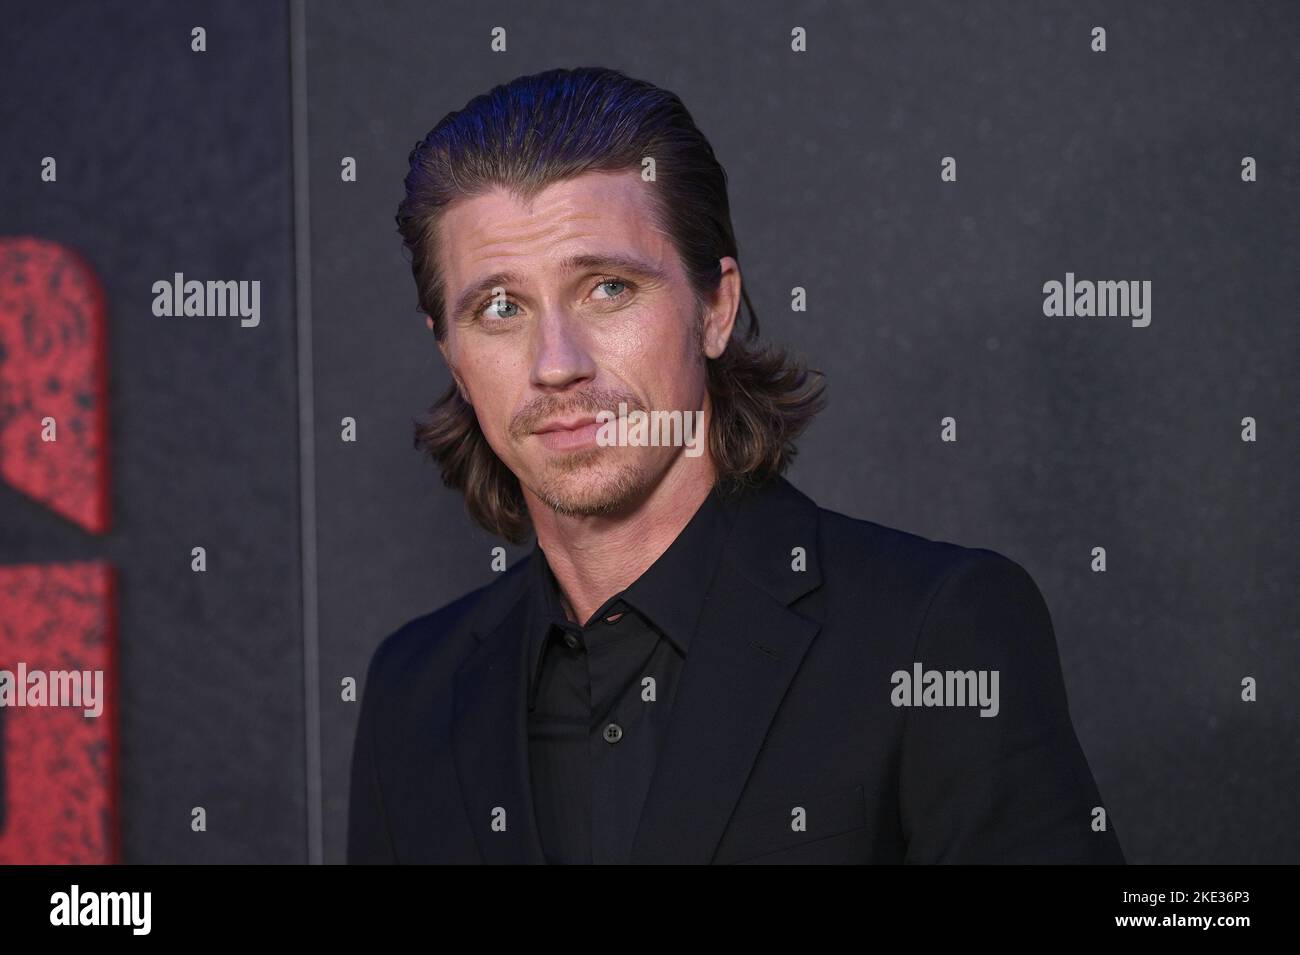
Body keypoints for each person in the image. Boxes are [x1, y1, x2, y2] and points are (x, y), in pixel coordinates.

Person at [347, 66, 1125, 864]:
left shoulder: (934, 631)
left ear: (716, 308)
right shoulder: (415, 693)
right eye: (500, 308)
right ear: (451, 354)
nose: (556, 364)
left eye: (607, 287)